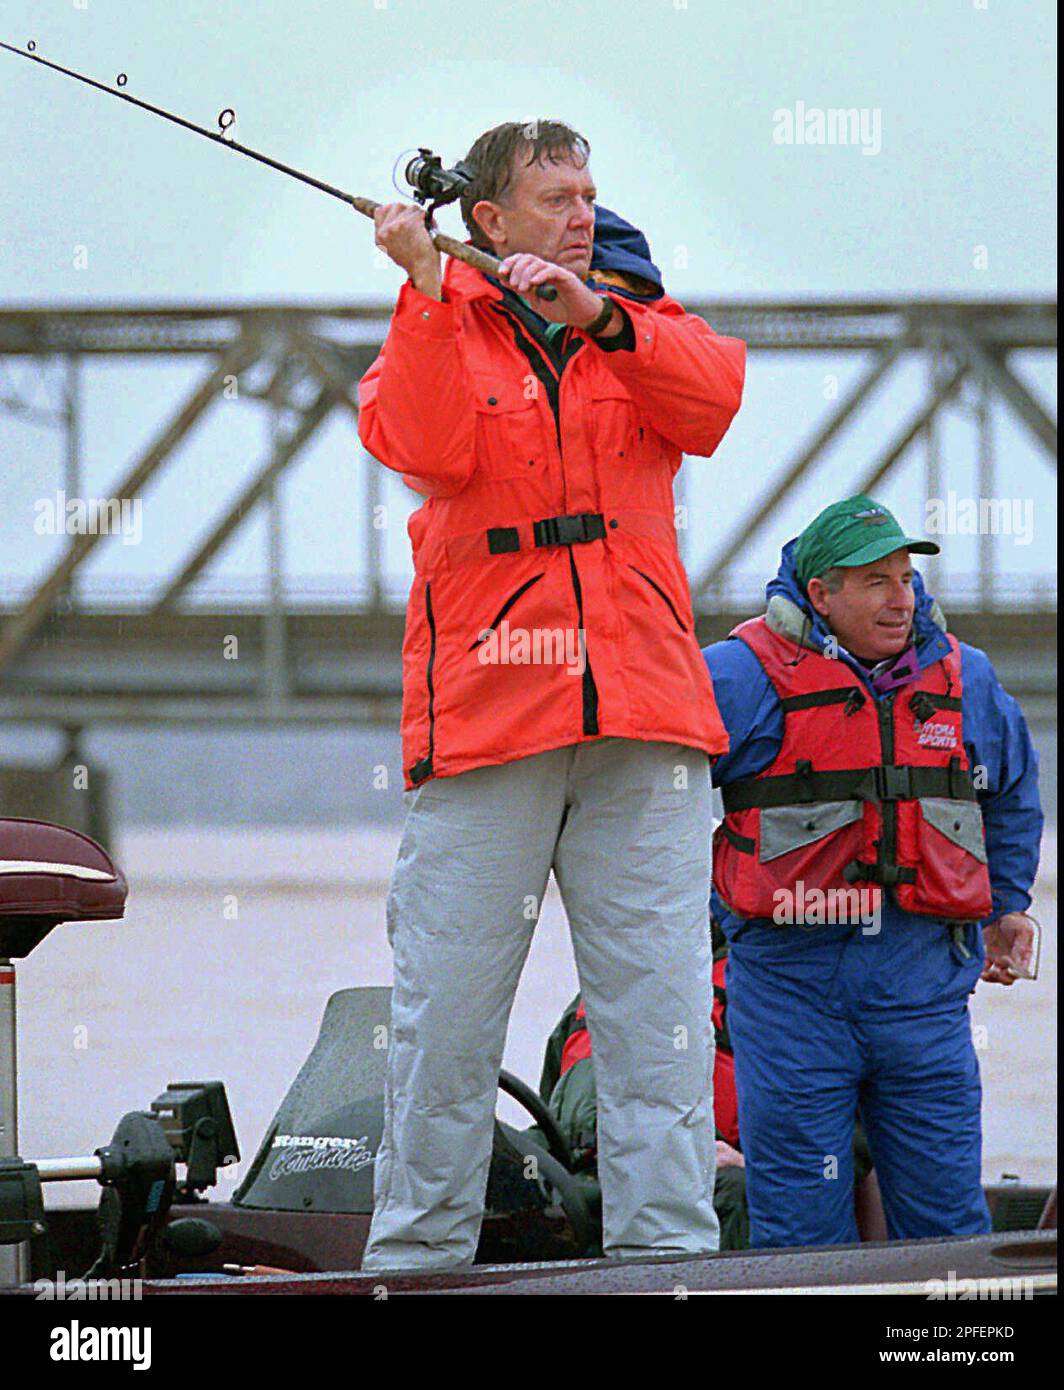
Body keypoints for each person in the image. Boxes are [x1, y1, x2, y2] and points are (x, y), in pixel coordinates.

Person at [357, 119, 746, 1269]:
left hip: (648, 719)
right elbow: (420, 446)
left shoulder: (637, 322)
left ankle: (663, 1268)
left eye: (587, 190)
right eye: (553, 195)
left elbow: (713, 401)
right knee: (447, 1020)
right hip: (489, 722)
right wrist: (425, 290)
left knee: (660, 1026)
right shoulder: (436, 324)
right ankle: (415, 1266)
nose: (579, 210)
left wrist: (597, 315)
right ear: (488, 218)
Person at [704, 494, 1042, 1248]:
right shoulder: (738, 676)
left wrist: (1007, 903)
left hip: (923, 990)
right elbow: (646, 797)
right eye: (876, 582)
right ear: (819, 595)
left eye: (906, 577)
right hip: (789, 993)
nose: (902, 599)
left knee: (949, 1223)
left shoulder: (967, 680)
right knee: (799, 1229)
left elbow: (1013, 789)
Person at [535, 919, 880, 1252]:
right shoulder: (601, 988)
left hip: (705, 1181)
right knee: (512, 1174)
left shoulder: (776, 985)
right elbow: (550, 1103)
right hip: (585, 1182)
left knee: (735, 1191)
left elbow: (855, 1124)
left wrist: (756, 1164)